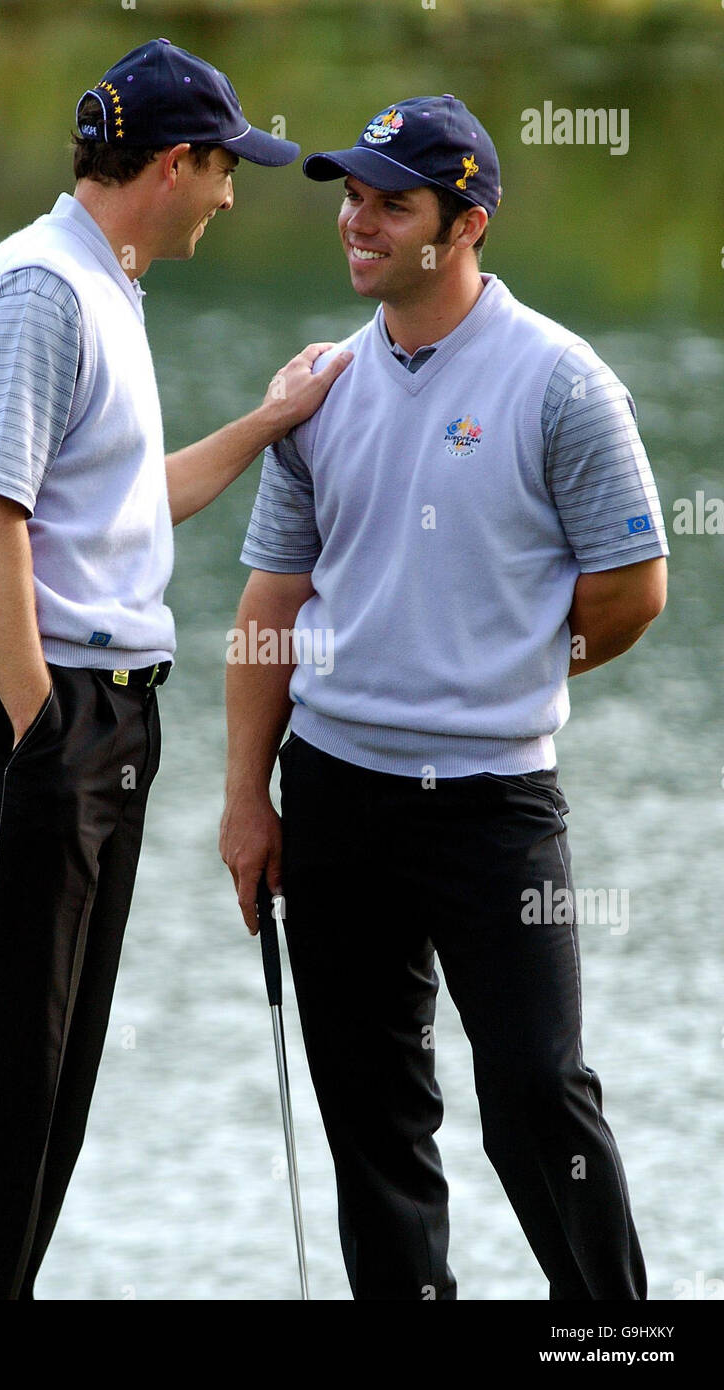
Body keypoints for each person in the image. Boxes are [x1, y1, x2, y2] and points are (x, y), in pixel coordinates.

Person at [0, 38, 350, 1300]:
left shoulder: (104, 288)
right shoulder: (42, 292)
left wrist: (266, 424)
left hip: (92, 722)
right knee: (2, 1082)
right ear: (171, 162)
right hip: (31, 721)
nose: (233, 193)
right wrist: (46, 738)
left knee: (47, 1084)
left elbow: (114, 510)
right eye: (225, 168)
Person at [220, 95, 669, 1300]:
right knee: (374, 1128)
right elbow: (269, 613)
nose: (357, 222)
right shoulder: (317, 390)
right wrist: (245, 802)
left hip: (493, 805)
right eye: (349, 198)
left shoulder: (564, 383)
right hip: (335, 798)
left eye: (390, 204)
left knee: (538, 1098)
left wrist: (509, 664)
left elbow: (633, 589)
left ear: (464, 224)